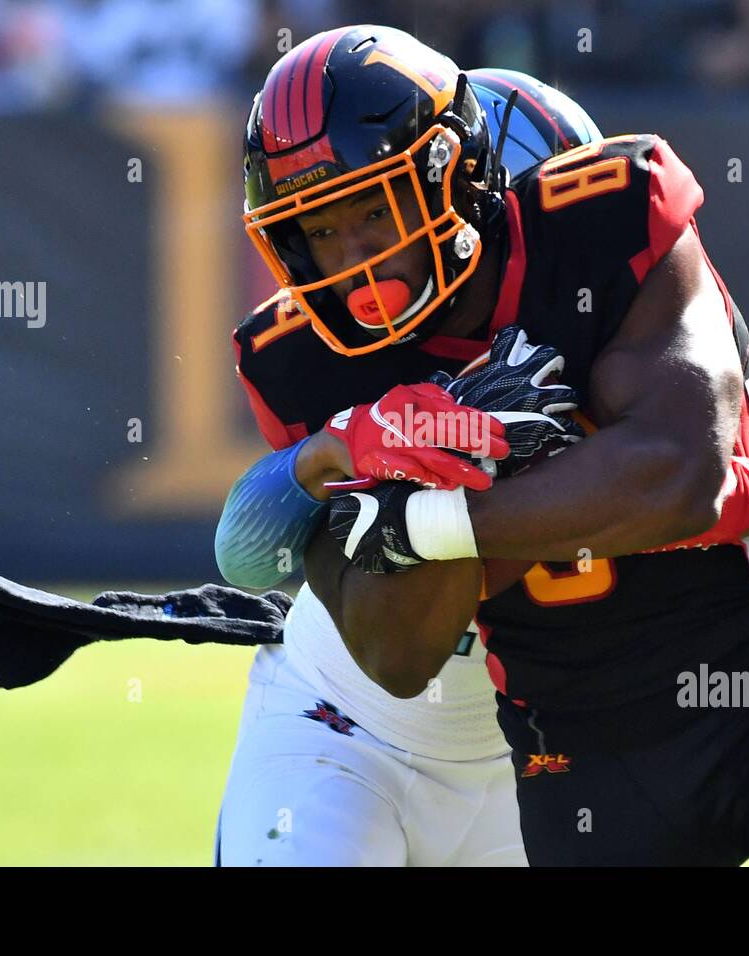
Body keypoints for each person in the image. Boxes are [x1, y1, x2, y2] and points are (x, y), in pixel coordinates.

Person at [226, 24, 749, 865]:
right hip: (548, 740)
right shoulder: (312, 364)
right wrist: (363, 449)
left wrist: (427, 520)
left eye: (374, 214)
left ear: (473, 183)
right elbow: (325, 603)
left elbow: (694, 475)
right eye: (319, 229)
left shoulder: (612, 226)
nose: (351, 262)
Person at [215, 67, 600, 866]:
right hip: (345, 733)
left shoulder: (631, 351)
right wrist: (346, 447)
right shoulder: (345, 361)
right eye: (330, 227)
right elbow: (248, 554)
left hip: (555, 767)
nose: (364, 260)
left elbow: (712, 474)